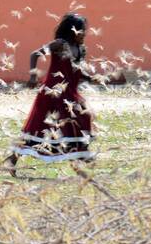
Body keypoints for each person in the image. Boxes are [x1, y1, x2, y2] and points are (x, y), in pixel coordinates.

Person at [7, 13, 95, 171]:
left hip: (69, 92)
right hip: (52, 92)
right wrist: (33, 76)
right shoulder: (60, 44)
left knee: (83, 115)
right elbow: (35, 54)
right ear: (72, 30)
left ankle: (80, 152)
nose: (84, 33)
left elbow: (76, 70)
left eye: (84, 30)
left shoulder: (80, 49)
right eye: (81, 30)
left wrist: (91, 78)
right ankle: (13, 159)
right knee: (38, 127)